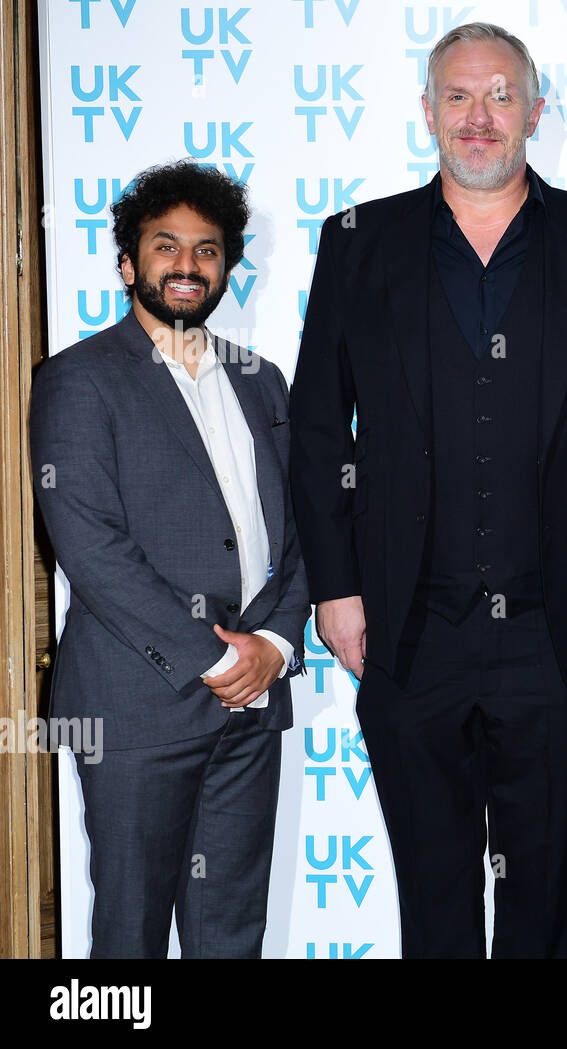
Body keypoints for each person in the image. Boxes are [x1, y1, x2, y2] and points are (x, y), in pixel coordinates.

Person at [289, 22, 567, 958]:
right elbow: (319, 425)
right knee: (435, 890)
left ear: (537, 111)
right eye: (459, 96)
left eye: (501, 96)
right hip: (408, 630)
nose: (480, 116)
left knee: (539, 899)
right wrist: (334, 586)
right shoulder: (357, 242)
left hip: (558, 630)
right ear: (427, 114)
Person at [29, 160, 309, 958]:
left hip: (252, 702)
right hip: (137, 706)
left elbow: (300, 533)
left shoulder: (264, 383)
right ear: (129, 263)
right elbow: (90, 545)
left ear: (228, 266)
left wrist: (276, 646)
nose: (187, 265)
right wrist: (212, 658)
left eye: (208, 250)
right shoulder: (78, 379)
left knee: (230, 932)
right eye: (166, 246)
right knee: (131, 932)